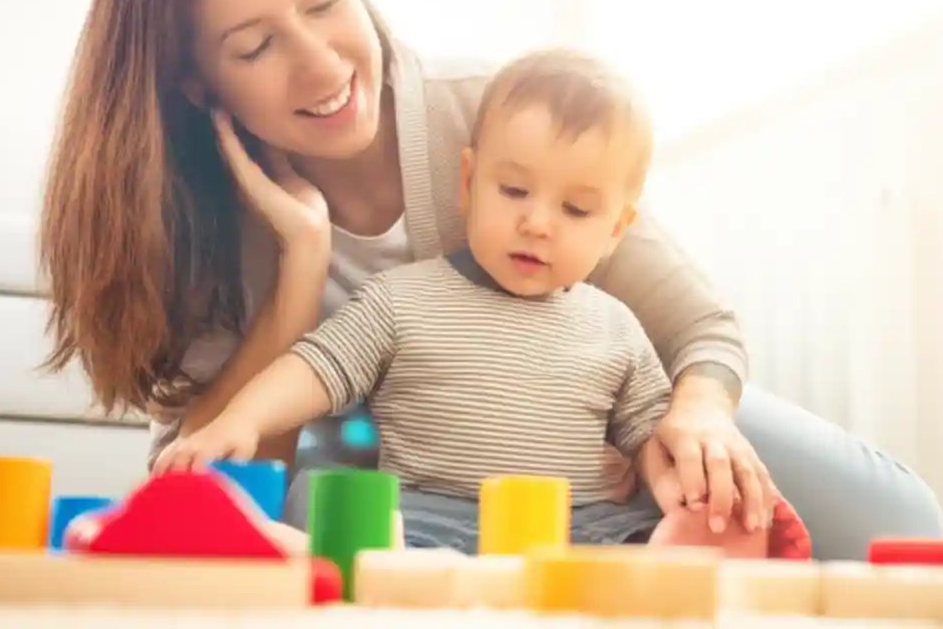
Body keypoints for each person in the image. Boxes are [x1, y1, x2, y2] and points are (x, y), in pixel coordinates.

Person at [38, 0, 943, 560]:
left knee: (894, 524)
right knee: (318, 518)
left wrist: (693, 414)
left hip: (586, 442)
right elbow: (217, 485)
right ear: (198, 86)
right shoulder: (196, 221)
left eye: (323, 3)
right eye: (254, 47)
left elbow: (695, 324)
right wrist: (299, 265)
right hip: (398, 485)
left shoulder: (490, 113)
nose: (319, 64)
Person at [154, 48, 706, 551]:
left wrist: (679, 493)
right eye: (513, 191)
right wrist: (242, 421)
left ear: (615, 230)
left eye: (577, 211)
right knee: (339, 524)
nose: (537, 223)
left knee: (644, 540)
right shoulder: (401, 298)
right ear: (468, 183)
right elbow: (314, 369)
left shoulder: (616, 327)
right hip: (426, 525)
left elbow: (651, 433)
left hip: (576, 529)